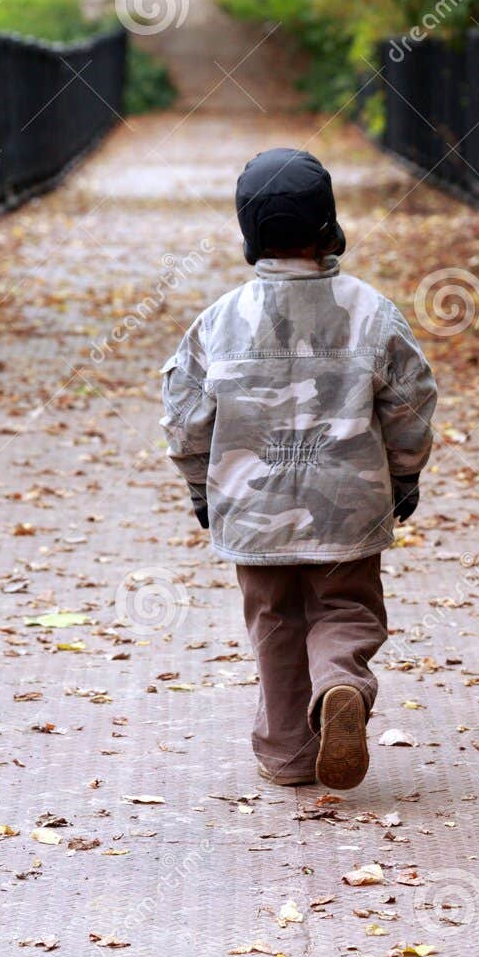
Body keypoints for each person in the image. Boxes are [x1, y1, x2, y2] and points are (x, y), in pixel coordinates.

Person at [161, 147, 436, 790]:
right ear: (329, 226)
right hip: (349, 503)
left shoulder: (219, 322)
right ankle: (339, 681)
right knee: (346, 609)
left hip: (252, 511)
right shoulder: (372, 312)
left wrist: (201, 485)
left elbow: (184, 415)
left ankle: (287, 753)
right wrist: (403, 477)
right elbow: (411, 403)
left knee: (275, 624)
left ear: (248, 233)